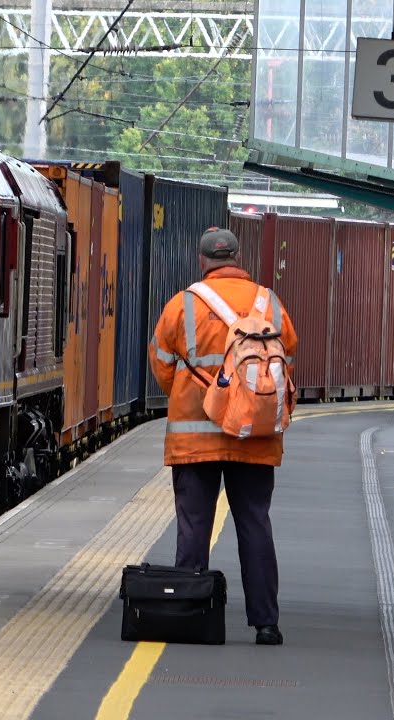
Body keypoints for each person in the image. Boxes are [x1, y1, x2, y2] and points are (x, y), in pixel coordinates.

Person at [147, 226, 298, 646]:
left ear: (203, 261)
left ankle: (192, 616)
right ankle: (266, 624)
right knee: (254, 524)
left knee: (194, 526)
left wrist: (192, 393)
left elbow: (160, 361)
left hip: (195, 437)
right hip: (255, 434)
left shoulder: (184, 305)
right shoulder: (268, 302)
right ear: (237, 258)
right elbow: (290, 347)